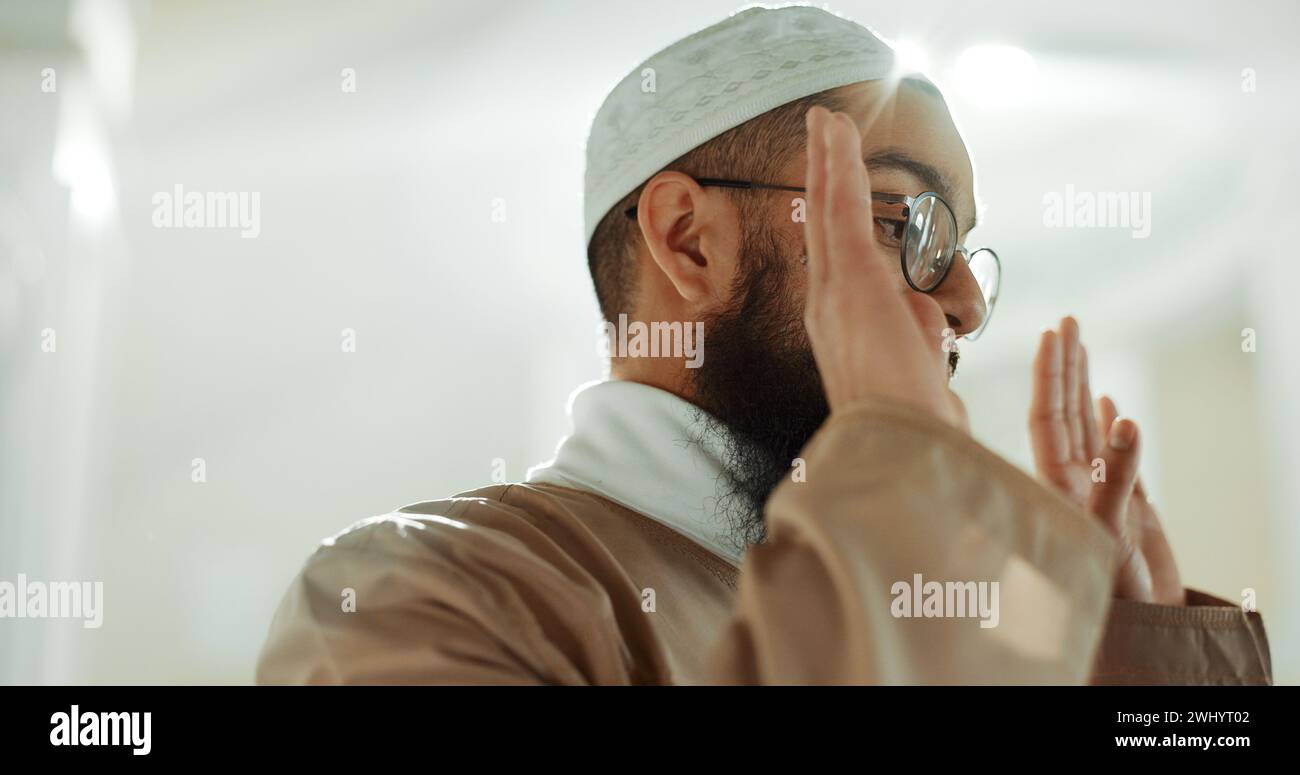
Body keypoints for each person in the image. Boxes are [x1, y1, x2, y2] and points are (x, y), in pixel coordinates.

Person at [256, 5, 1271, 684]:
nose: (961, 300)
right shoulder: (426, 593)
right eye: (899, 220)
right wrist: (909, 474)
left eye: (962, 250)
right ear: (691, 241)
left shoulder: (977, 603)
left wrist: (1136, 655)